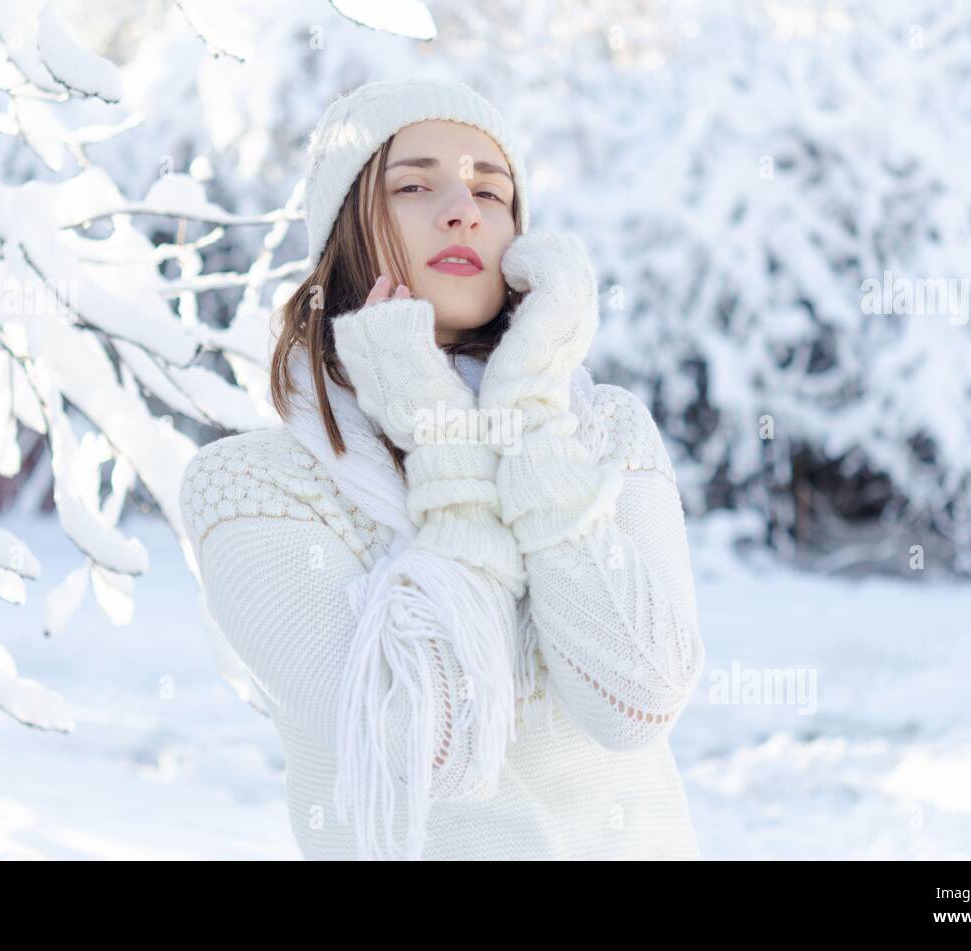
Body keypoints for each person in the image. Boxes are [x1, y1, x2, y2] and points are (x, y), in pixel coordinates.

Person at [179, 77, 706, 860]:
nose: (462, 208)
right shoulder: (252, 491)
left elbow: (636, 699)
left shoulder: (607, 434)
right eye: (414, 184)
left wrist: (526, 413)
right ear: (347, 235)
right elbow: (432, 750)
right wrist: (446, 449)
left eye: (491, 191)